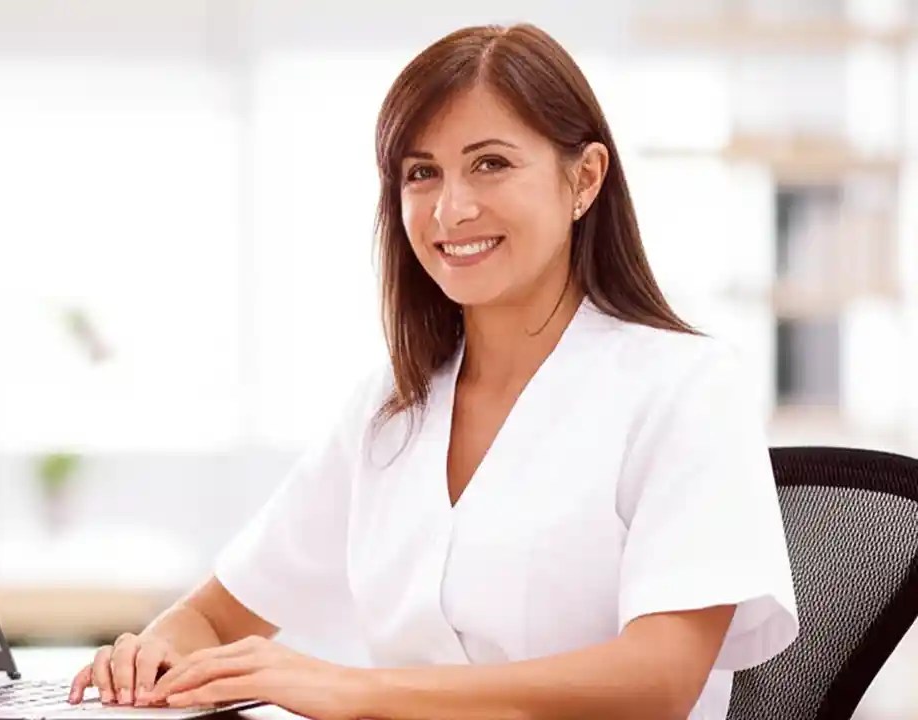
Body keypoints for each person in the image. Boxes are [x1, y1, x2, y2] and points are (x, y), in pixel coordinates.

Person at [67, 22, 798, 719]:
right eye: (423, 173)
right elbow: (211, 615)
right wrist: (156, 654)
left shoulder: (686, 386)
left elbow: (660, 680)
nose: (452, 208)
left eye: (491, 163)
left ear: (584, 179)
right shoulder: (390, 408)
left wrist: (359, 691)